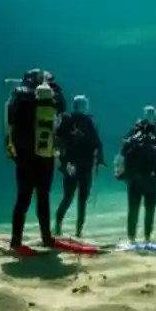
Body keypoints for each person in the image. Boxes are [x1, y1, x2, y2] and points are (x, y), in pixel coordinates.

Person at [6, 69, 67, 250]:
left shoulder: (18, 95)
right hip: (44, 154)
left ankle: (15, 240)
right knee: (43, 197)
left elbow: (10, 119)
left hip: (24, 156)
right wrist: (52, 85)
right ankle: (46, 238)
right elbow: (63, 107)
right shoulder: (48, 96)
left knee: (23, 198)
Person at [117, 106, 156, 243]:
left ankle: (132, 238)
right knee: (149, 209)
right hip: (152, 178)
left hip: (134, 178)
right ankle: (147, 238)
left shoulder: (133, 134)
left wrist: (122, 173)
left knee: (133, 209)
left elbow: (122, 154)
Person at [54, 94, 105, 238]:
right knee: (75, 197)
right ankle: (70, 228)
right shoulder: (73, 119)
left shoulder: (76, 119)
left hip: (77, 164)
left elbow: (96, 143)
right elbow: (97, 143)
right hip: (78, 163)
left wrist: (99, 160)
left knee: (73, 197)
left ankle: (68, 228)